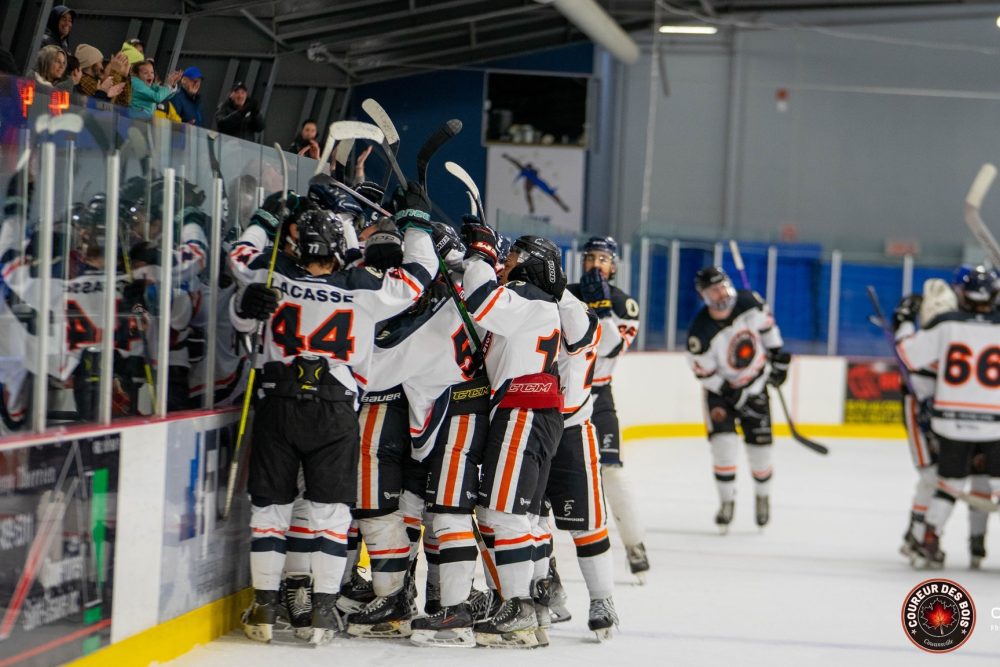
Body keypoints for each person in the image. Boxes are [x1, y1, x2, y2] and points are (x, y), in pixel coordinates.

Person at [229, 183, 438, 645]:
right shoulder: (362, 286)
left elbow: (238, 256)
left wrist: (265, 218)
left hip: (277, 402)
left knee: (270, 511)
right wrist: (416, 223)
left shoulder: (271, 274)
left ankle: (264, 607)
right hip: (336, 409)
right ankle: (322, 612)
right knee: (330, 513)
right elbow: (422, 274)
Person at [459, 227, 565, 648]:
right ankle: (535, 604)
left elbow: (481, 302)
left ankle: (518, 607)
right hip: (535, 412)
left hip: (523, 409)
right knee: (517, 514)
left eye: (513, 256)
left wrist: (479, 254)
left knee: (505, 515)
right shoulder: (536, 302)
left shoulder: (525, 294)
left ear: (531, 263)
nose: (506, 263)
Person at [896, 266, 1000, 569]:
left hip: (950, 422)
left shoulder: (946, 324)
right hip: (994, 425)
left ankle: (929, 537)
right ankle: (973, 544)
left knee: (948, 483)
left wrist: (903, 322)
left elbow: (908, 353)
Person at [566, 236, 649, 579]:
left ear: (613, 266)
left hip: (598, 396)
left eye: (603, 258)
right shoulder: (566, 293)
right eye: (590, 257)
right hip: (566, 395)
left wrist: (601, 308)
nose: (596, 264)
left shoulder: (625, 305)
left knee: (612, 472)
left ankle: (634, 545)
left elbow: (609, 350)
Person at [685, 266, 790, 533]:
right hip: (721, 394)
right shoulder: (700, 333)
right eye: (712, 291)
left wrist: (778, 357)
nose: (720, 294)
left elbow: (768, 328)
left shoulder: (749, 302)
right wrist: (734, 393)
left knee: (761, 452)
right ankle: (726, 502)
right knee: (724, 446)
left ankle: (762, 496)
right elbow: (705, 374)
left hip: (755, 386)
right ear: (703, 296)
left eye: (722, 286)